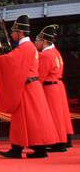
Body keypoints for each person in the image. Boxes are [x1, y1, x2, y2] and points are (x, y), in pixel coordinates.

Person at [0, 15, 60, 159]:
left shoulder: (25, 47)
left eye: (14, 31)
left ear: (20, 32)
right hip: (32, 86)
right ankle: (37, 149)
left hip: (27, 87)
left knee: (23, 118)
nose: (12, 34)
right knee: (33, 119)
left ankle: (18, 149)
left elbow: (11, 61)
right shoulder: (28, 47)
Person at [36, 25, 71, 154]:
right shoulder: (55, 52)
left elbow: (40, 75)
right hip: (57, 85)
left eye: (37, 41)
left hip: (49, 87)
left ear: (44, 41)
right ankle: (64, 140)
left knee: (53, 115)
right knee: (60, 115)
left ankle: (58, 142)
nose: (36, 43)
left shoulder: (46, 55)